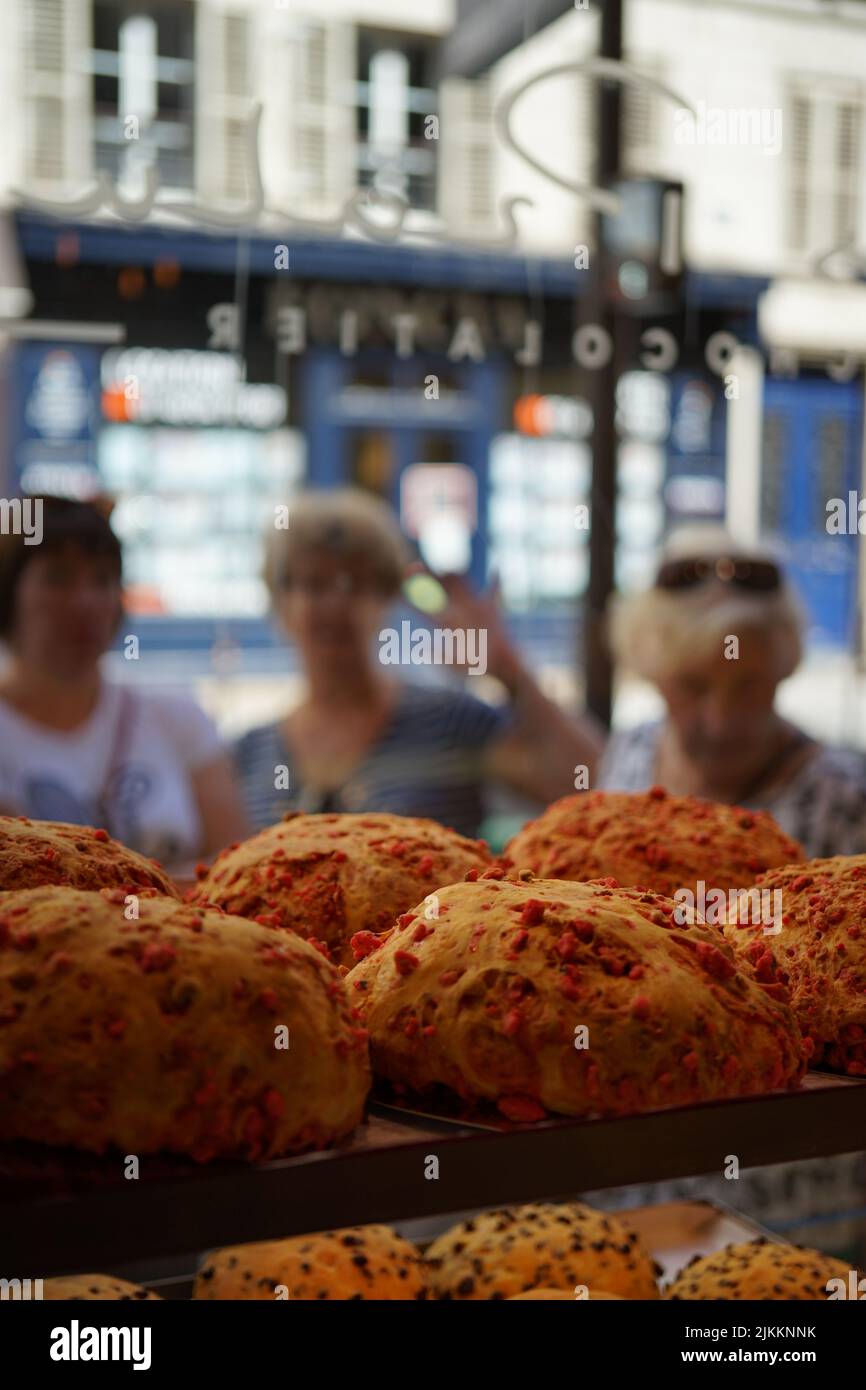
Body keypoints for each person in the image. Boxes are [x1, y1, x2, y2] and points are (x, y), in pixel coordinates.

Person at [234, 488, 602, 839]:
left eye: (354, 584)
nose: (334, 604)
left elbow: (588, 785)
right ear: (280, 602)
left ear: (386, 597)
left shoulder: (450, 722)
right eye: (314, 585)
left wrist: (511, 672)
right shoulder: (249, 752)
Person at [0, 496, 248, 872]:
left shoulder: (177, 717)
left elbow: (239, 869)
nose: (84, 601)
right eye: (57, 578)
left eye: (102, 579)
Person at [598, 527, 866, 857]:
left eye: (748, 685)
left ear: (784, 667)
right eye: (692, 686)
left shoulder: (844, 799)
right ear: (651, 671)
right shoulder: (630, 752)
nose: (720, 722)